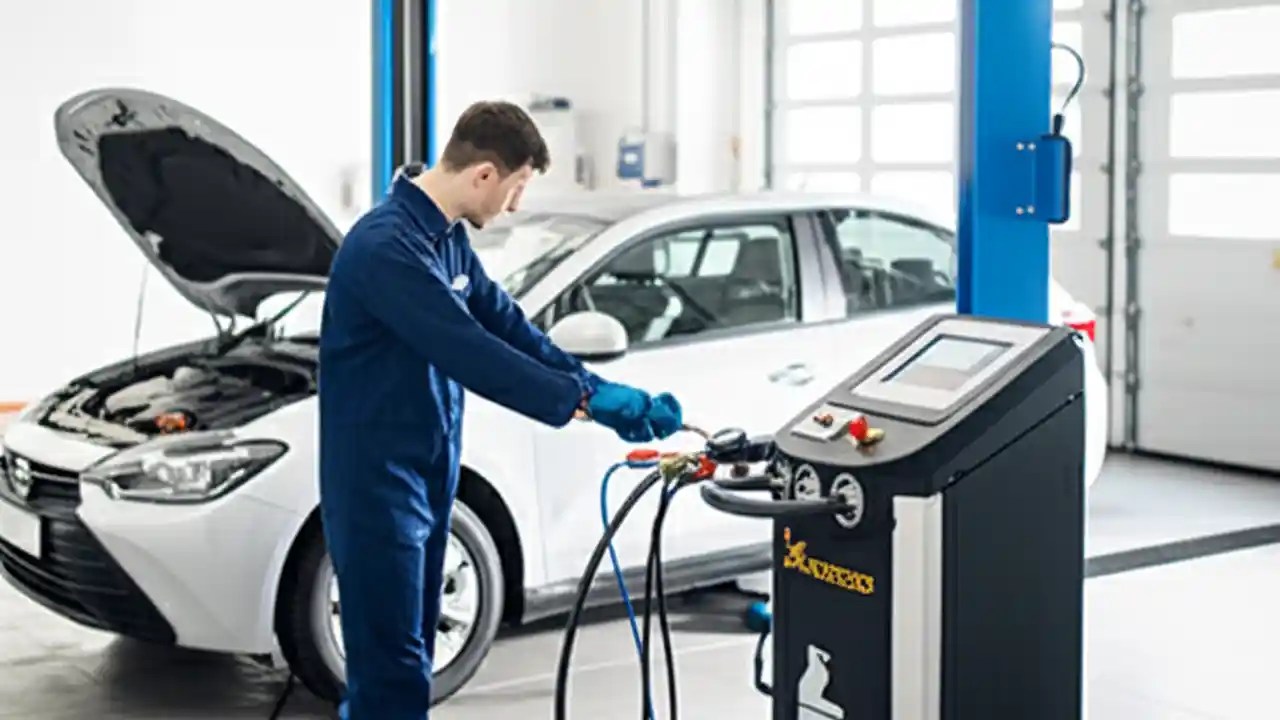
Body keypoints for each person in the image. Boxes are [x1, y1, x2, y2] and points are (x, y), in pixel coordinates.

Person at [317, 101, 683, 719]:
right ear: (485, 174)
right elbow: (471, 352)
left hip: (428, 471)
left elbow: (508, 326)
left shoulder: (448, 242)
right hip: (376, 480)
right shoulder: (386, 247)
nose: (513, 207)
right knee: (392, 665)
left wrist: (594, 385)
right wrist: (583, 403)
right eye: (515, 189)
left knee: (414, 649)